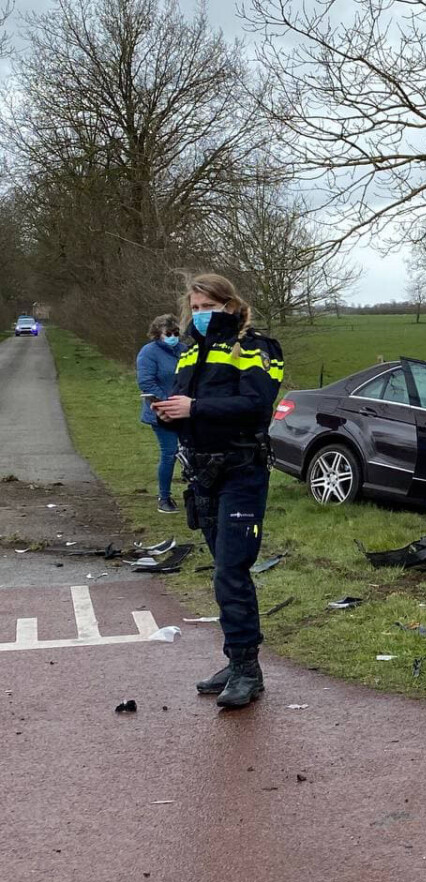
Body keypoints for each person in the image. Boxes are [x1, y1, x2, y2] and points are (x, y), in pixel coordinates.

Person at [152, 274, 284, 709]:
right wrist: (169, 413)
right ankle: (235, 660)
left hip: (242, 470)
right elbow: (183, 401)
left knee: (232, 569)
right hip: (202, 472)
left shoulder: (257, 346)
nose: (200, 314)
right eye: (195, 306)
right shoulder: (190, 349)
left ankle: (248, 669)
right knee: (221, 570)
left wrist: (195, 407)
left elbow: (257, 405)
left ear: (230, 305)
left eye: (208, 305)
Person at [136, 315, 184, 513]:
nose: (173, 337)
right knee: (169, 452)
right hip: (160, 410)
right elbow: (146, 382)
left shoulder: (185, 350)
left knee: (191, 453)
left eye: (176, 333)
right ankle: (164, 497)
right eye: (169, 334)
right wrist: (167, 403)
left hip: (185, 409)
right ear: (158, 334)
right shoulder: (149, 352)